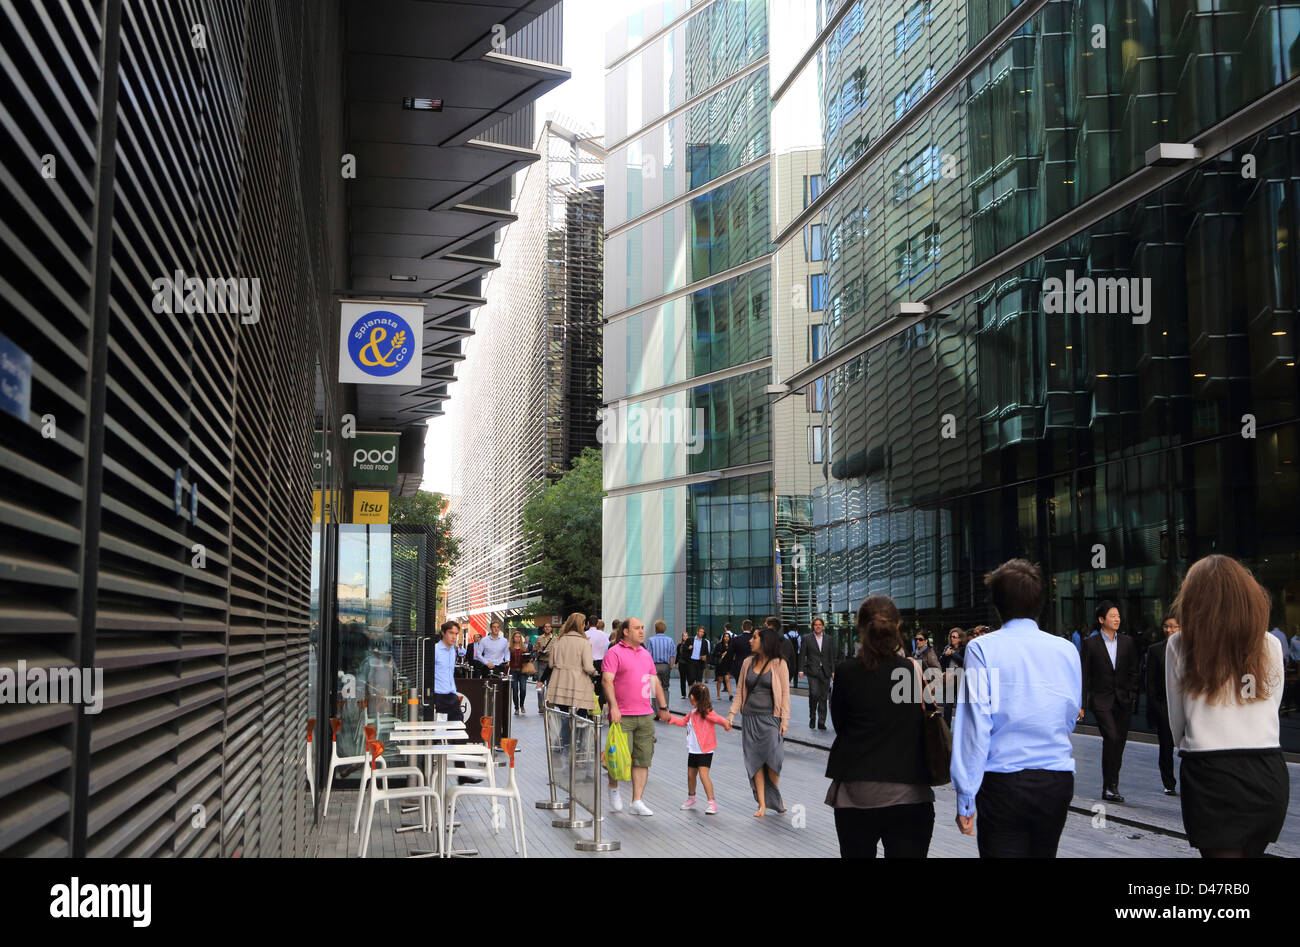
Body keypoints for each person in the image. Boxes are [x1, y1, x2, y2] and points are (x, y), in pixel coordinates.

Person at [951, 559, 1081, 857]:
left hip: (1003, 780)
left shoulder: (981, 648)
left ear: (997, 604)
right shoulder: (1066, 650)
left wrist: (966, 798)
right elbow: (1070, 715)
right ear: (1040, 602)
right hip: (1056, 779)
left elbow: (975, 726)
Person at [1165, 555, 1289, 857]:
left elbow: (1176, 720)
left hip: (1210, 771)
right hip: (1267, 769)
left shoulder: (1180, 644)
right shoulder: (1269, 643)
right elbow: (1273, 703)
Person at [825, 594, 935, 857]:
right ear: (897, 627)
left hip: (856, 793)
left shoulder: (846, 672)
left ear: (861, 628)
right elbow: (926, 720)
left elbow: (840, 724)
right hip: (909, 791)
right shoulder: (911, 671)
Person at [602, 616, 670, 815]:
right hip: (622, 716)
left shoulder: (645, 654)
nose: (642, 631)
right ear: (626, 631)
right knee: (618, 758)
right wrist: (613, 707)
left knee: (642, 758)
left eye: (642, 628)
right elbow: (607, 681)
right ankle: (613, 788)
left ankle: (637, 800)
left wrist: (663, 707)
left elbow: (654, 681)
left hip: (645, 714)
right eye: (637, 628)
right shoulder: (614, 653)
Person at [727, 620, 790, 817]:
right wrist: (731, 715)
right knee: (755, 762)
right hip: (750, 719)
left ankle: (774, 797)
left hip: (771, 719)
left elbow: (786, 694)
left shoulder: (779, 664)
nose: (750, 641)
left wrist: (785, 720)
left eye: (754, 638)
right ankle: (762, 804)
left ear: (764, 641)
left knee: (774, 760)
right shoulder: (747, 663)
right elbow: (739, 691)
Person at [1080, 599, 1139, 802]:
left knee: (1119, 743)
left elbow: (1134, 670)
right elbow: (1084, 674)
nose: (1117, 619)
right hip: (1101, 700)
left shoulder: (1127, 642)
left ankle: (1111, 785)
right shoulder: (1090, 643)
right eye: (1112, 616)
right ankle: (1109, 786)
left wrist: (1132, 694)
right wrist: (1082, 704)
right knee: (1111, 737)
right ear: (1101, 619)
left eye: (1118, 616)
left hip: (1123, 700)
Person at [668, 683, 732, 815]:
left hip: (705, 750)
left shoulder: (707, 713)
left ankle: (712, 802)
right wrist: (670, 719)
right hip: (693, 749)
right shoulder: (692, 713)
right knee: (691, 775)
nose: (690, 701)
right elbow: (683, 722)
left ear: (695, 698)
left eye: (691, 698)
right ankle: (691, 797)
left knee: (703, 775)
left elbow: (718, 719)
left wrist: (726, 724)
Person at [432, 620, 480, 784]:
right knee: (436, 736)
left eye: (456, 634)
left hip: (451, 697)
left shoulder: (453, 650)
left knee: (460, 733)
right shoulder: (435, 650)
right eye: (451, 633)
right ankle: (431, 775)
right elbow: (428, 674)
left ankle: (462, 773)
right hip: (438, 697)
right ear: (443, 633)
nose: (454, 637)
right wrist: (432, 699)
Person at [1146, 614, 1179, 794]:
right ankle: (1169, 783)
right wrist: (1156, 707)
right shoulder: (1156, 650)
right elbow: (1150, 682)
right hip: (1164, 705)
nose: (1169, 630)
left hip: (1184, 705)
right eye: (1166, 626)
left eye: (1173, 627)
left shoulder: (1189, 649)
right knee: (1165, 747)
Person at [545, 612, 597, 718]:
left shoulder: (558, 640)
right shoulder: (584, 642)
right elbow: (588, 667)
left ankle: (565, 735)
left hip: (559, 685)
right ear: (581, 625)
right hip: (577, 685)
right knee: (580, 720)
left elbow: (551, 664)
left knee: (564, 717)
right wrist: (595, 672)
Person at [800, 617, 835, 730]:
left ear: (823, 626)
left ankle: (821, 722)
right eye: (816, 625)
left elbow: (831, 656)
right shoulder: (807, 638)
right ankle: (812, 716)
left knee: (823, 697)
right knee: (814, 694)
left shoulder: (829, 639)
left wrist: (833, 671)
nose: (818, 626)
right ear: (813, 626)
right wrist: (800, 670)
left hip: (825, 671)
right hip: (812, 671)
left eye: (820, 624)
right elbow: (802, 655)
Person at [646, 619, 675, 700]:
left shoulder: (651, 640)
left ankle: (656, 709)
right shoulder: (670, 640)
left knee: (655, 688)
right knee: (665, 688)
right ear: (664, 629)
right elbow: (672, 655)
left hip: (654, 666)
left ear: (655, 628)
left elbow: (648, 655)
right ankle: (665, 707)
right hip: (666, 666)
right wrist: (670, 666)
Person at [533, 622, 554, 713]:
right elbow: (534, 649)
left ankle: (549, 705)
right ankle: (541, 706)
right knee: (540, 685)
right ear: (543, 629)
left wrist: (551, 652)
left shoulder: (555, 639)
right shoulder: (539, 638)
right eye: (545, 627)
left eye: (549, 627)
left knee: (551, 686)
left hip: (551, 664)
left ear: (551, 628)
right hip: (541, 663)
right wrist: (539, 651)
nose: (547, 628)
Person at [508, 631, 530, 715]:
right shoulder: (510, 648)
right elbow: (507, 660)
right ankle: (516, 708)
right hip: (513, 671)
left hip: (522, 671)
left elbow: (527, 659)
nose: (517, 638)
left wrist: (528, 658)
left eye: (519, 637)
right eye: (516, 636)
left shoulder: (524, 648)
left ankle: (522, 705)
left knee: (523, 689)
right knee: (515, 690)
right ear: (513, 638)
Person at [714, 631, 734, 700]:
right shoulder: (719, 645)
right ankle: (718, 694)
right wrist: (721, 654)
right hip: (720, 664)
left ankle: (730, 694)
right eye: (725, 636)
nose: (726, 638)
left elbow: (733, 655)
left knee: (727, 679)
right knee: (719, 680)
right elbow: (714, 653)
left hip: (727, 664)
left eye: (728, 637)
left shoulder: (731, 646)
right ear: (723, 638)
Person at [675, 631, 693, 699]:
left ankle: (690, 693)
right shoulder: (679, 645)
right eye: (684, 636)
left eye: (686, 636)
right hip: (681, 664)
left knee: (690, 679)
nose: (685, 637)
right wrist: (675, 663)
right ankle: (683, 694)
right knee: (682, 679)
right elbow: (678, 655)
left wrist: (689, 648)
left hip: (689, 664)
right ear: (682, 637)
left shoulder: (691, 645)